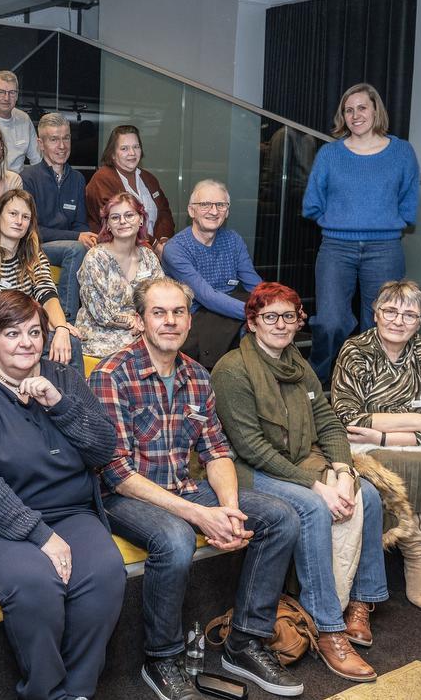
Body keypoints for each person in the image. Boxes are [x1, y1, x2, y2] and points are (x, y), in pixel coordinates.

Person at [91, 277, 304, 699]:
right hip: (125, 495)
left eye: (178, 312)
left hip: (184, 485)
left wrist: (228, 509)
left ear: (189, 320)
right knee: (174, 537)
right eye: (158, 312)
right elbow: (116, 471)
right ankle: (163, 659)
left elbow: (216, 451)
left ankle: (245, 641)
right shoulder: (112, 374)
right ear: (139, 320)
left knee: (280, 518)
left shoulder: (197, 375)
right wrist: (198, 515)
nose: (170, 321)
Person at [0, 290, 127, 699]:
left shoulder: (64, 377)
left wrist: (58, 404)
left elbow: (104, 447)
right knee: (35, 582)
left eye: (34, 332)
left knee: (105, 573)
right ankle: (45, 692)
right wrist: (41, 536)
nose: (26, 343)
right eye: (12, 333)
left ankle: (78, 691)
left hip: (68, 510)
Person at [211, 282, 387, 683]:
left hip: (299, 461)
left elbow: (327, 422)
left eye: (289, 316)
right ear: (252, 322)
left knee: (369, 494)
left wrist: (342, 470)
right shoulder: (232, 370)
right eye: (269, 316)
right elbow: (251, 446)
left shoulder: (298, 363)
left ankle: (361, 602)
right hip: (251, 470)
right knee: (311, 507)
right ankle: (329, 628)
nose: (280, 324)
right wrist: (316, 484)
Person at [331, 279, 421, 611]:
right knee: (420, 461)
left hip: (392, 440)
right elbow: (349, 417)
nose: (398, 320)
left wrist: (386, 432)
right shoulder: (356, 350)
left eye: (409, 314)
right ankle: (416, 550)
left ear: (420, 321)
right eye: (390, 311)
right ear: (375, 313)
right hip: (366, 446)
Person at [303, 83, 420, 384]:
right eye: (348, 109)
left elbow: (409, 201)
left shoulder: (401, 152)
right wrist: (338, 221)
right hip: (336, 247)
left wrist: (387, 221)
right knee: (330, 321)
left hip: (385, 248)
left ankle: (374, 386)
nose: (355, 115)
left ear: (375, 110)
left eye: (362, 107)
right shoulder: (330, 154)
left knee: (381, 321)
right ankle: (319, 384)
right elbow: (312, 202)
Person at [0, 189, 83, 371]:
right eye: (13, 214)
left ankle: (68, 399)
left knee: (69, 341)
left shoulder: (33, 254)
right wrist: (44, 325)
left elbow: (47, 293)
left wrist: (62, 327)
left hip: (26, 331)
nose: (19, 221)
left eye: (25, 217)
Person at [162, 179, 262, 371]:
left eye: (221, 205)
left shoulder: (233, 239)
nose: (214, 211)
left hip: (229, 309)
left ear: (228, 210)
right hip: (195, 314)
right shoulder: (176, 249)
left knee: (271, 324)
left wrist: (279, 304)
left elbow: (254, 283)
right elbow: (206, 296)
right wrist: (258, 313)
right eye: (205, 204)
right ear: (192, 211)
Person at [20, 112, 95, 322]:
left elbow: (80, 223)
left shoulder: (78, 178)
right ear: (40, 144)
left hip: (66, 246)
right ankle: (65, 319)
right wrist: (77, 238)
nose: (62, 146)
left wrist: (87, 237)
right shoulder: (28, 178)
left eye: (66, 138)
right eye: (54, 139)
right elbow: (31, 229)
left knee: (93, 247)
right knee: (77, 248)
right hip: (35, 245)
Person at [76, 192, 164, 358]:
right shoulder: (96, 257)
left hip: (142, 333)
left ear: (141, 220)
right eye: (115, 217)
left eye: (129, 215)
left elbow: (161, 298)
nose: (122, 221)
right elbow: (101, 314)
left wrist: (146, 321)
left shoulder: (149, 257)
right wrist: (138, 321)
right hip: (101, 339)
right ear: (108, 224)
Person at [85, 125, 175, 251]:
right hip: (119, 251)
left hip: (156, 250)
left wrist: (164, 240)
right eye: (124, 148)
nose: (132, 153)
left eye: (136, 147)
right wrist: (155, 245)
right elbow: (120, 223)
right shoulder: (102, 179)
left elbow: (164, 212)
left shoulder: (149, 178)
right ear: (112, 154)